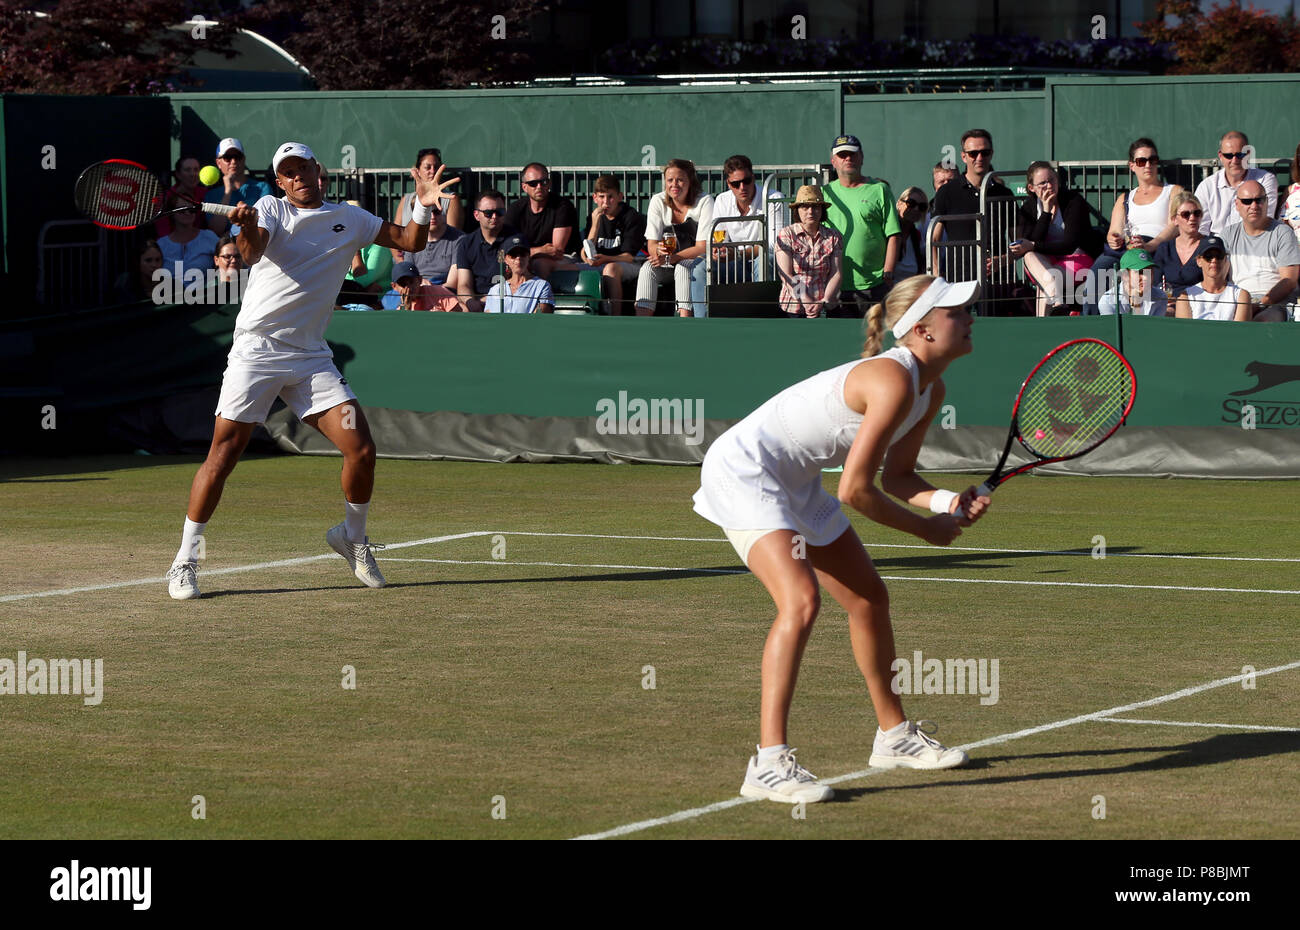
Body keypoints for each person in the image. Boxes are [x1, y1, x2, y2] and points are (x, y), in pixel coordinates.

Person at [692, 274, 989, 804]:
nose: (969, 318)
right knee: (800, 602)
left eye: (966, 310)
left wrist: (947, 504)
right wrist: (927, 530)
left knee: (868, 597)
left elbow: (898, 477)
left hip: (797, 480)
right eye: (956, 312)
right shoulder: (892, 381)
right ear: (920, 328)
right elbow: (855, 491)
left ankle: (893, 737)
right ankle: (768, 763)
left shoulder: (929, 387)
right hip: (745, 471)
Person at [164, 141, 459, 600]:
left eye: (304, 167)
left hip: (310, 358)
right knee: (223, 453)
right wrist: (244, 227)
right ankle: (185, 560)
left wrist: (422, 207)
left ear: (318, 171)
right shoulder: (270, 208)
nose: (298, 176)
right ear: (280, 181)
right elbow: (251, 253)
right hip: (257, 352)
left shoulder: (352, 218)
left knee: (360, 447)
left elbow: (408, 241)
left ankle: (352, 538)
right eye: (289, 172)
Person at [929, 129, 1016, 311]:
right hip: (958, 281)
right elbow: (933, 240)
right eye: (973, 153)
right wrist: (936, 276)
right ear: (963, 156)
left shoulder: (1004, 194)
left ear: (991, 154)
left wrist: (1005, 259)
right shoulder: (947, 192)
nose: (979, 157)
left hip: (997, 281)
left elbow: (1018, 240)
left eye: (984, 152)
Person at [824, 134, 900, 317]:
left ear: (862, 157)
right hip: (834, 286)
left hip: (874, 285)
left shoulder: (880, 190)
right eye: (842, 155)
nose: (848, 158)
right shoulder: (824, 193)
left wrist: (888, 271)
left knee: (876, 341)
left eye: (852, 154)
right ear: (833, 161)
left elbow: (894, 235)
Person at [1011, 162, 1097, 315]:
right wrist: (1045, 211)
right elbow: (1029, 244)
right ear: (1032, 188)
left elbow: (1069, 245)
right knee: (1031, 257)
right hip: (1045, 262)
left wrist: (1032, 245)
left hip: (1077, 259)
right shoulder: (1029, 208)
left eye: (1052, 180)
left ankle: (1045, 327)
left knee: (1046, 281)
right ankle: (1057, 304)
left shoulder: (1073, 201)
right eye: (1043, 183)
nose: (1049, 186)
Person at [634, 159, 714, 317]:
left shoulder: (705, 201)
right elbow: (651, 244)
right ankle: (641, 323)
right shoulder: (658, 200)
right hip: (667, 261)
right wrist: (658, 250)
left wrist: (674, 258)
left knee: (683, 268)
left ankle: (685, 322)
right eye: (670, 180)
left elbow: (702, 247)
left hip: (695, 260)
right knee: (647, 269)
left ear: (690, 181)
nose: (674, 184)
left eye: (680, 180)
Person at [1220, 179, 1300, 321]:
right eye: (1247, 201)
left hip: (1277, 304)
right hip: (1239, 301)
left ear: (1267, 202)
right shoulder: (1228, 234)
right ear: (1237, 205)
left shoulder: (1283, 232)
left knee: (1261, 322)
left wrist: (1259, 304)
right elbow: (1218, 276)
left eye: (1259, 200)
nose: (1254, 206)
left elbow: (1289, 281)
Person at [774, 185, 842, 318]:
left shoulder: (834, 236)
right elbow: (787, 275)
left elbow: (836, 273)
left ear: (822, 210)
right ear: (797, 210)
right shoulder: (786, 234)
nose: (810, 211)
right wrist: (807, 302)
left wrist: (823, 302)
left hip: (825, 307)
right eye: (805, 207)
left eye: (815, 207)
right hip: (793, 308)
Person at [1193, 131, 1278, 237]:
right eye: (1228, 155)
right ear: (1220, 155)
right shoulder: (1206, 186)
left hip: (1252, 243)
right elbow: (1200, 228)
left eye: (1240, 155)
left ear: (1248, 154)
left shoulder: (1265, 180)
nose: (1235, 160)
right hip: (1216, 246)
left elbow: (1264, 220)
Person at [582, 175, 646, 314]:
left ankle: (614, 317)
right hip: (600, 262)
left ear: (620, 197)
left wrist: (605, 259)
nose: (606, 202)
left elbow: (629, 257)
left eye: (610, 197)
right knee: (559, 266)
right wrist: (595, 225)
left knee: (610, 269)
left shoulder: (631, 217)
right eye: (602, 197)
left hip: (629, 264)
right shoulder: (594, 217)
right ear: (595, 198)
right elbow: (585, 252)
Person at [504, 162, 579, 279]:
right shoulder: (516, 209)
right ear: (524, 187)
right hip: (526, 258)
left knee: (539, 264)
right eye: (533, 183)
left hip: (566, 258)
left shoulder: (562, 206)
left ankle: (542, 297)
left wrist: (524, 253)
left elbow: (556, 251)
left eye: (543, 182)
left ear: (548, 183)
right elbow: (508, 248)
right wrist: (538, 250)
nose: (539, 187)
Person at [454, 190, 517, 313]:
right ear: (476, 215)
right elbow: (463, 284)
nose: (495, 217)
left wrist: (489, 301)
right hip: (476, 301)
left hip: (506, 301)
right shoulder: (466, 243)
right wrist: (470, 302)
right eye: (488, 213)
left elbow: (517, 283)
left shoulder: (515, 241)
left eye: (500, 212)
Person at [710, 154, 767, 282]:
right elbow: (720, 240)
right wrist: (719, 252)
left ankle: (762, 302)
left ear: (753, 178)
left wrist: (737, 254)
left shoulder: (772, 199)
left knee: (765, 260)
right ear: (729, 184)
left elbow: (774, 246)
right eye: (736, 183)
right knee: (700, 266)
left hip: (760, 259)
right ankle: (700, 303)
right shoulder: (722, 200)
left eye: (746, 181)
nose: (742, 187)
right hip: (734, 262)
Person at [204, 138, 273, 237]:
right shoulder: (211, 195)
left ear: (243, 159)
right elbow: (216, 231)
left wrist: (235, 234)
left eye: (237, 157)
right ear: (219, 163)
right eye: (227, 157)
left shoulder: (262, 188)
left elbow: (266, 224)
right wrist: (227, 193)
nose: (233, 161)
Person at [1174, 236, 1252, 321]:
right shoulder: (1185, 297)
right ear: (1199, 261)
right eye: (1208, 256)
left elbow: (1239, 331)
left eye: (1219, 256)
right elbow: (1186, 331)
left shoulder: (1241, 295)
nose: (1214, 260)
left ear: (1225, 259)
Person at [391, 148, 464, 234]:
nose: (432, 171)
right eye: (427, 167)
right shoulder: (406, 200)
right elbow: (396, 236)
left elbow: (454, 236)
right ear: (418, 171)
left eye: (436, 167)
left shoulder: (451, 199)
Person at [338, 205, 395, 310]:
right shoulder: (342, 242)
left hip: (377, 301)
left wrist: (356, 251)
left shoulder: (380, 245)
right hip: (354, 297)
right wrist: (365, 290)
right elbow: (336, 279)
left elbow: (364, 280)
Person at [1151, 192, 1207, 297]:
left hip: (1199, 304)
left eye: (1197, 213)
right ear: (1174, 220)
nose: (1192, 218)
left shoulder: (1209, 246)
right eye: (1186, 214)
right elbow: (1156, 284)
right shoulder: (1165, 249)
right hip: (1168, 305)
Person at [484, 235, 554, 314]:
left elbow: (539, 318)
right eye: (513, 254)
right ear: (506, 259)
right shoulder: (495, 290)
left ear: (528, 257)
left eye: (522, 254)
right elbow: (488, 319)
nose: (518, 258)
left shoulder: (541, 286)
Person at [400, 199, 463, 285]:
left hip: (444, 292)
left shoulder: (458, 240)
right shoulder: (411, 239)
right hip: (417, 288)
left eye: (436, 212)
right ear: (418, 215)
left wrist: (431, 289)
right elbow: (409, 273)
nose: (433, 217)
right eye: (427, 213)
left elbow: (452, 283)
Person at [157, 192, 220, 278]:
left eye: (192, 210)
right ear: (171, 213)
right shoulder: (161, 245)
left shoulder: (209, 236)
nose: (188, 213)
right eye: (182, 210)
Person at [1098, 249, 1168, 316]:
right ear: (1124, 275)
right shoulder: (1108, 301)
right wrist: (1136, 306)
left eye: (1150, 272)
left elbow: (1153, 328)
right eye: (1140, 272)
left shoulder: (1161, 297)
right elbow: (1113, 328)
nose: (1146, 278)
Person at [156, 154, 209, 238]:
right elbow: (163, 233)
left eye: (196, 169)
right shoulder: (165, 198)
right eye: (187, 170)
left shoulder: (206, 194)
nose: (193, 174)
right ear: (178, 174)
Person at [392, 260, 460, 312]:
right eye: (403, 284)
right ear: (394, 286)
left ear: (420, 280)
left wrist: (443, 317)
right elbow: (401, 327)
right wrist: (406, 307)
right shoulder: (394, 305)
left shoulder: (438, 292)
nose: (408, 288)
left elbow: (459, 315)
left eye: (411, 282)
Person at [892, 187, 928, 282]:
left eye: (922, 207)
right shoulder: (886, 232)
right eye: (911, 203)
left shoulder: (917, 237)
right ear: (899, 204)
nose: (916, 209)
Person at [113, 239, 164, 303]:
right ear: (137, 262)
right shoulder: (126, 285)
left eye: (157, 260)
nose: (154, 265)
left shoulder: (171, 285)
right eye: (148, 260)